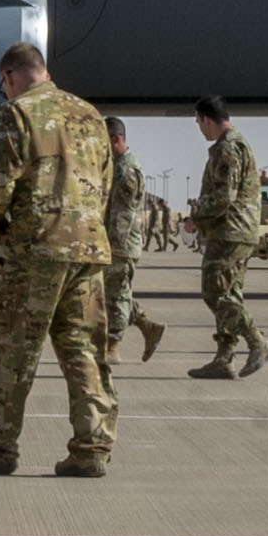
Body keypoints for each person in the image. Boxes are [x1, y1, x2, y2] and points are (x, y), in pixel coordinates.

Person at [0, 43, 116, 478]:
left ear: (9, 78)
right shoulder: (90, 115)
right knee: (84, 351)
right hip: (86, 249)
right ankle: (92, 447)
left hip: (34, 250)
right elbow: (105, 185)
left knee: (8, 347)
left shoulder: (15, 114)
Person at [183, 99, 268, 378]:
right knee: (229, 294)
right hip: (237, 230)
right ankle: (224, 358)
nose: (201, 131)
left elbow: (225, 196)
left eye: (199, 124)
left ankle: (257, 341)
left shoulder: (227, 148)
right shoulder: (237, 144)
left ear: (205, 119)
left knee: (214, 291)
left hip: (230, 231)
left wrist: (197, 218)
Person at [100, 116, 167, 366]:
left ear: (116, 139)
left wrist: (111, 245)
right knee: (116, 292)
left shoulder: (127, 170)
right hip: (113, 242)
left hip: (121, 245)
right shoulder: (116, 165)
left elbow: (124, 215)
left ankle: (112, 346)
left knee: (115, 296)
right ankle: (148, 326)